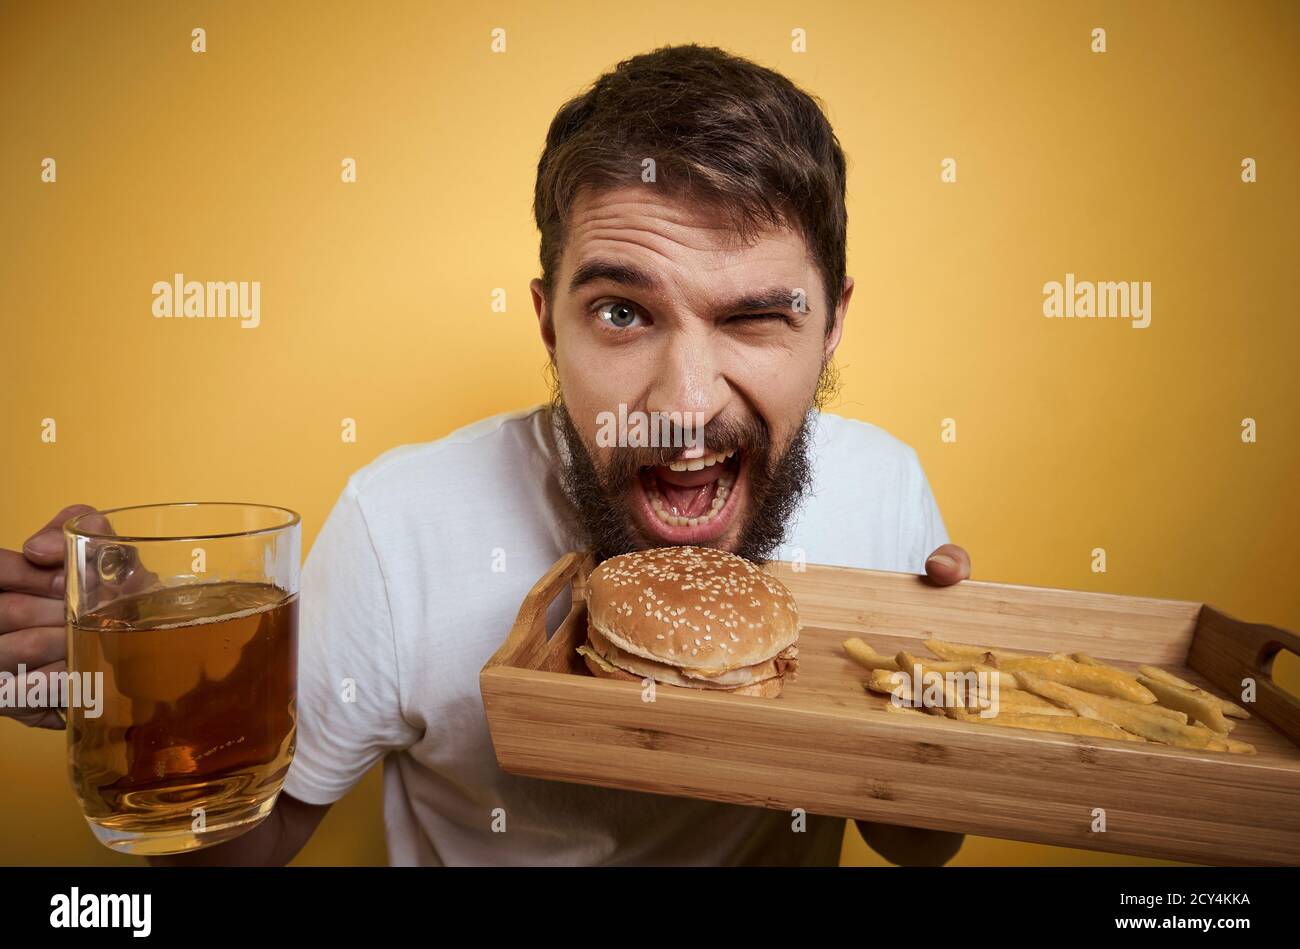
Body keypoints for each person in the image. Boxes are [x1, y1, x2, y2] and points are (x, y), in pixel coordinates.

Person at [2, 43, 969, 866]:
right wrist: (148, 708)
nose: (682, 408)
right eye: (622, 312)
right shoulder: (399, 526)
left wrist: (951, 722)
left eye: (756, 316)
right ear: (550, 325)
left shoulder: (884, 492)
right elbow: (251, 845)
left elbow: (917, 846)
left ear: (833, 324)